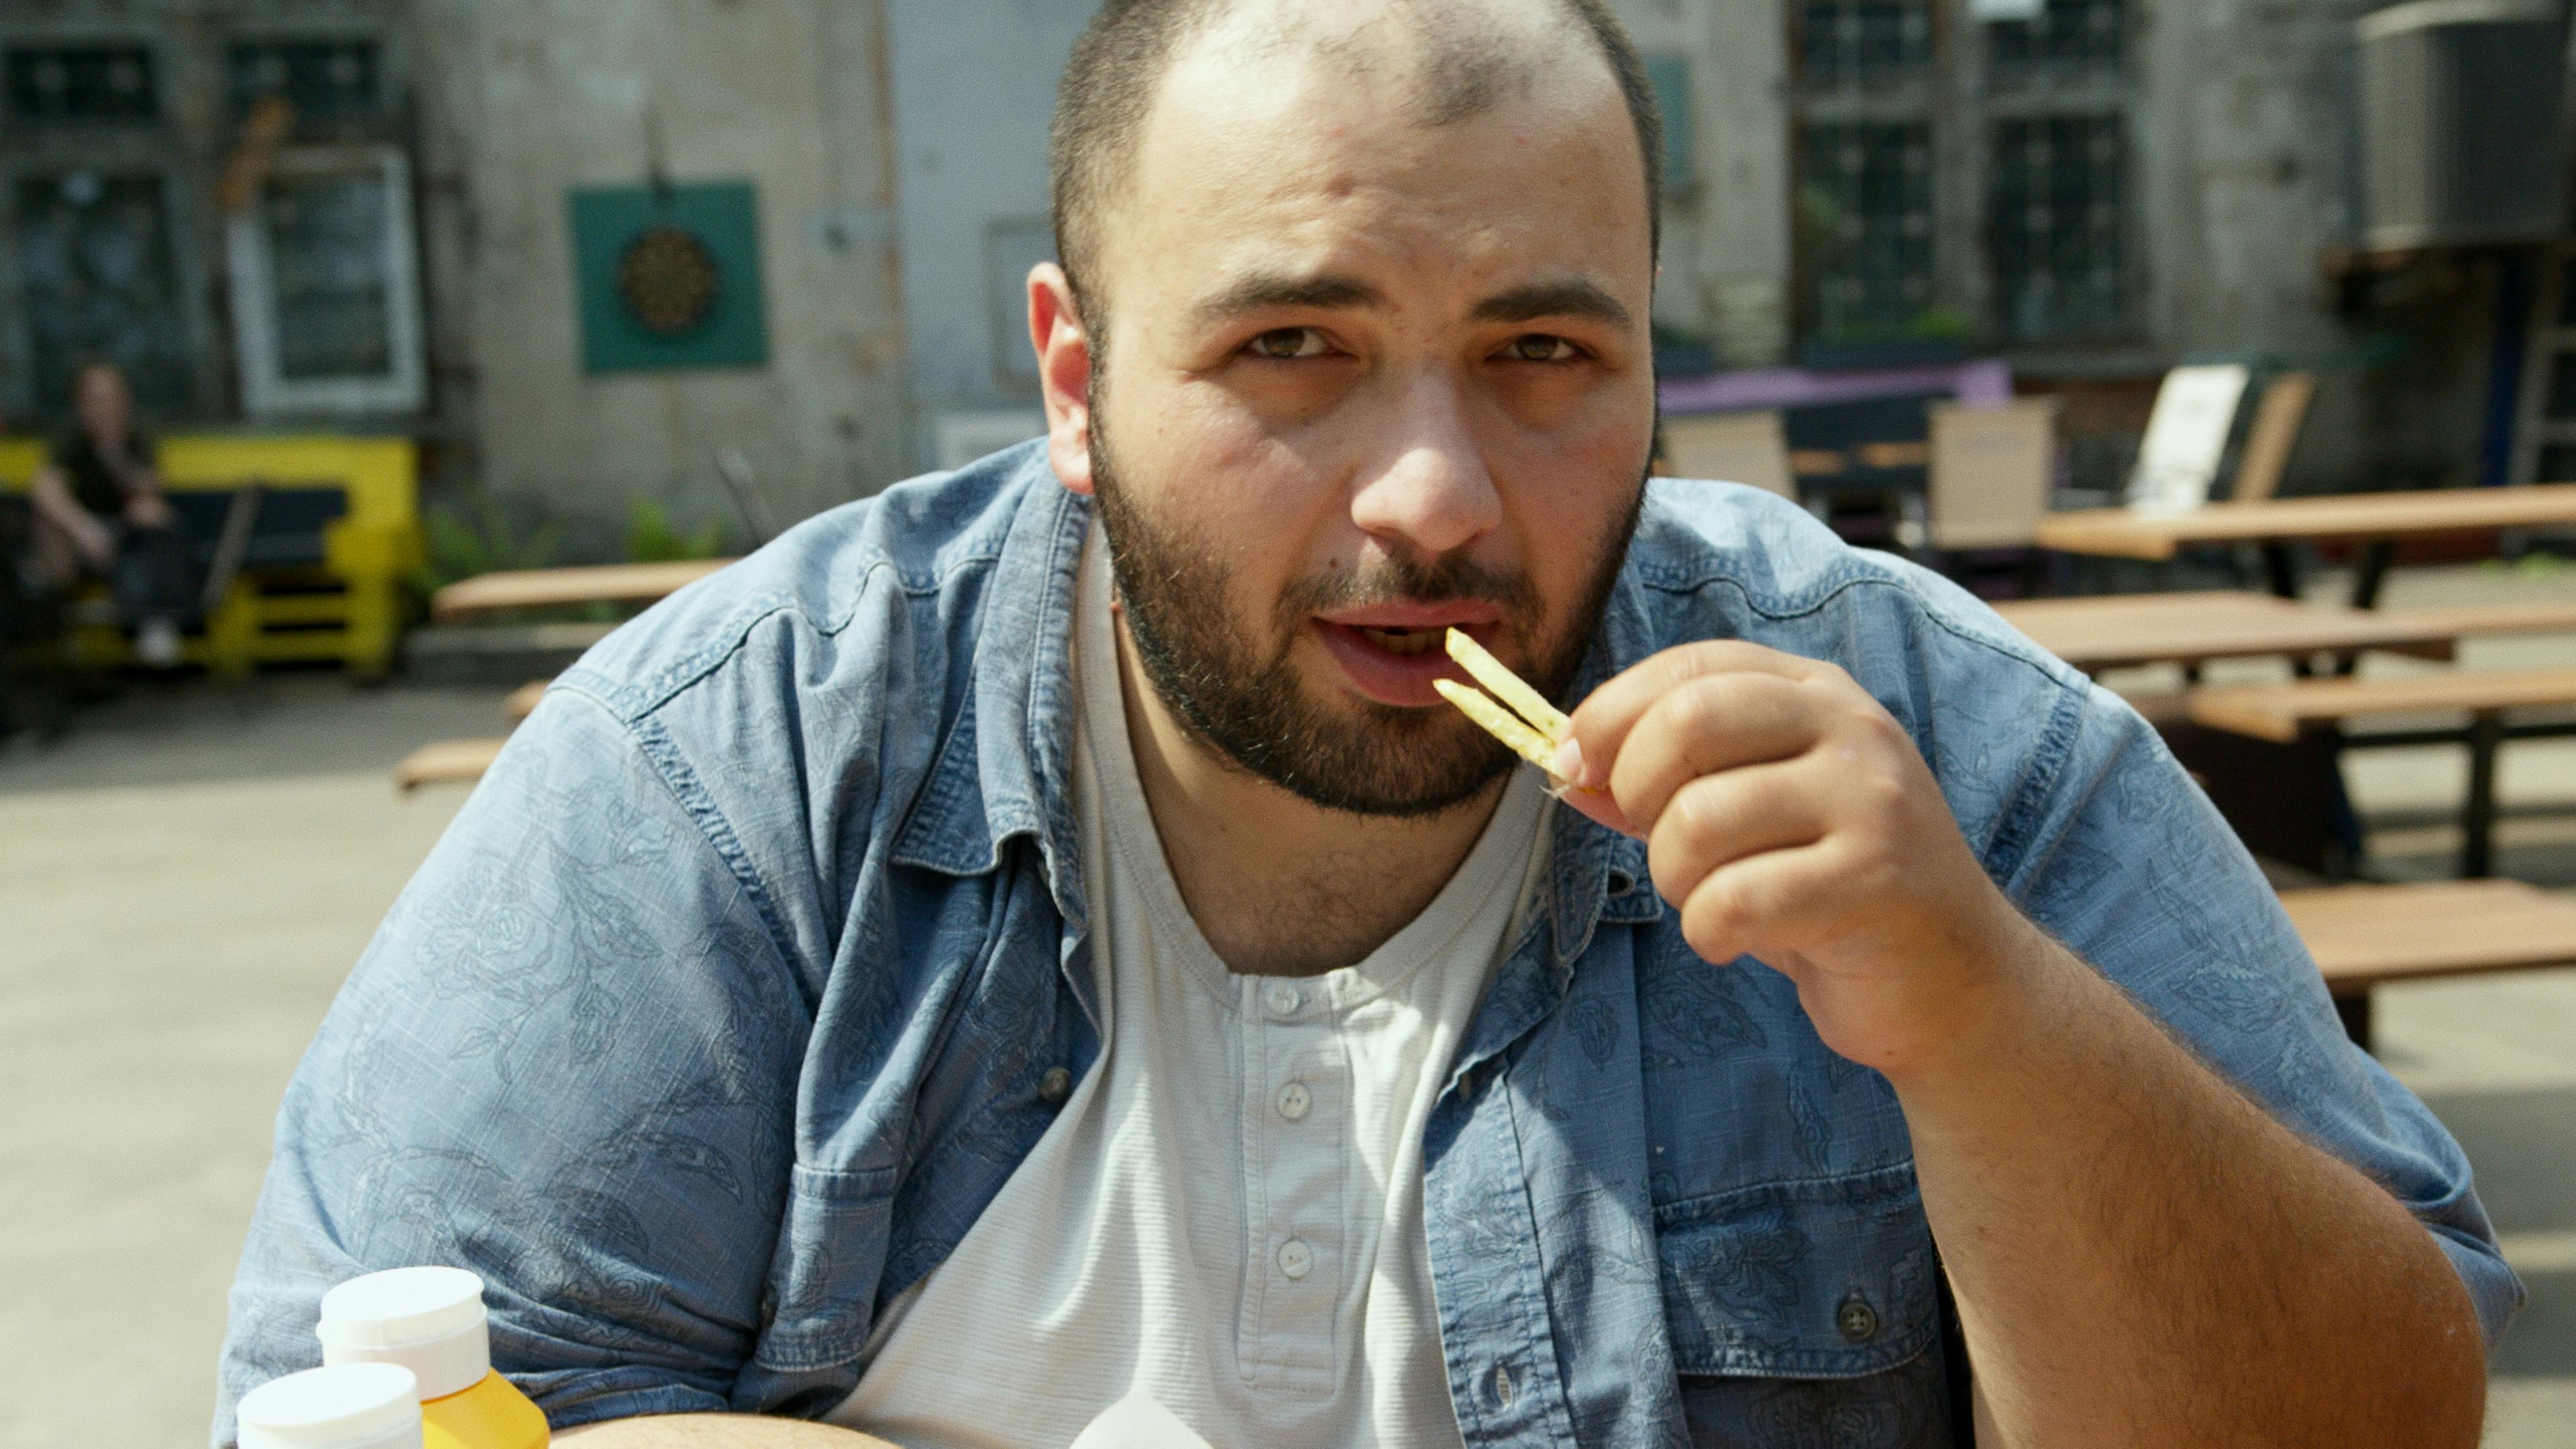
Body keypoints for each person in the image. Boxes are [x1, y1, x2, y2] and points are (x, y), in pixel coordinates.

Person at [217, 1, 2519, 1444]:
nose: (1436, 496)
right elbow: (372, 1394)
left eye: (1544, 355)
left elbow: (2395, 1414)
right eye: (1292, 351)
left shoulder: (1930, 743)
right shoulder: (744, 769)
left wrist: (1990, 1021)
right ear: (1077, 379)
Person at [26, 361, 194, 667]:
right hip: (88, 542)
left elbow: (149, 490)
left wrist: (112, 454)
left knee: (153, 519)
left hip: (133, 539)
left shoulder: (138, 434)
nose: (104, 406)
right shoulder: (72, 440)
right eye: (95, 398)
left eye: (111, 396)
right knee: (46, 528)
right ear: (81, 404)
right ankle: (50, 637)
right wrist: (86, 530)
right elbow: (46, 489)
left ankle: (153, 622)